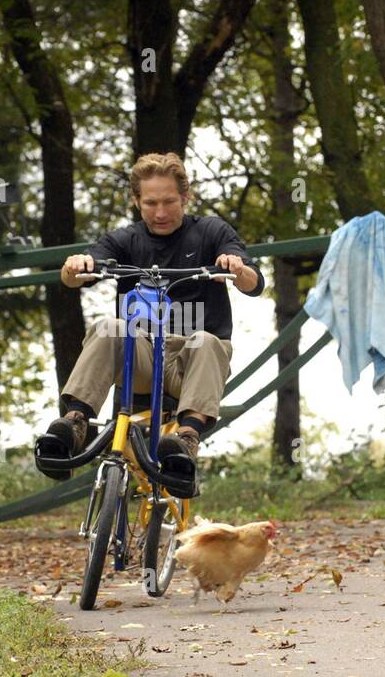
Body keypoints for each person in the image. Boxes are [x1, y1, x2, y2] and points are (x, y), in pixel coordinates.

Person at [41, 152, 265, 468]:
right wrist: (75, 266)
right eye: (150, 203)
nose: (160, 212)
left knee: (207, 340)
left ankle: (186, 440)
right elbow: (74, 278)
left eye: (169, 201)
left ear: (185, 196)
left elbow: (255, 284)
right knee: (110, 327)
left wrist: (236, 268)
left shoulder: (211, 231)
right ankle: (75, 421)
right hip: (141, 359)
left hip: (192, 365)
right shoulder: (124, 240)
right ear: (136, 201)